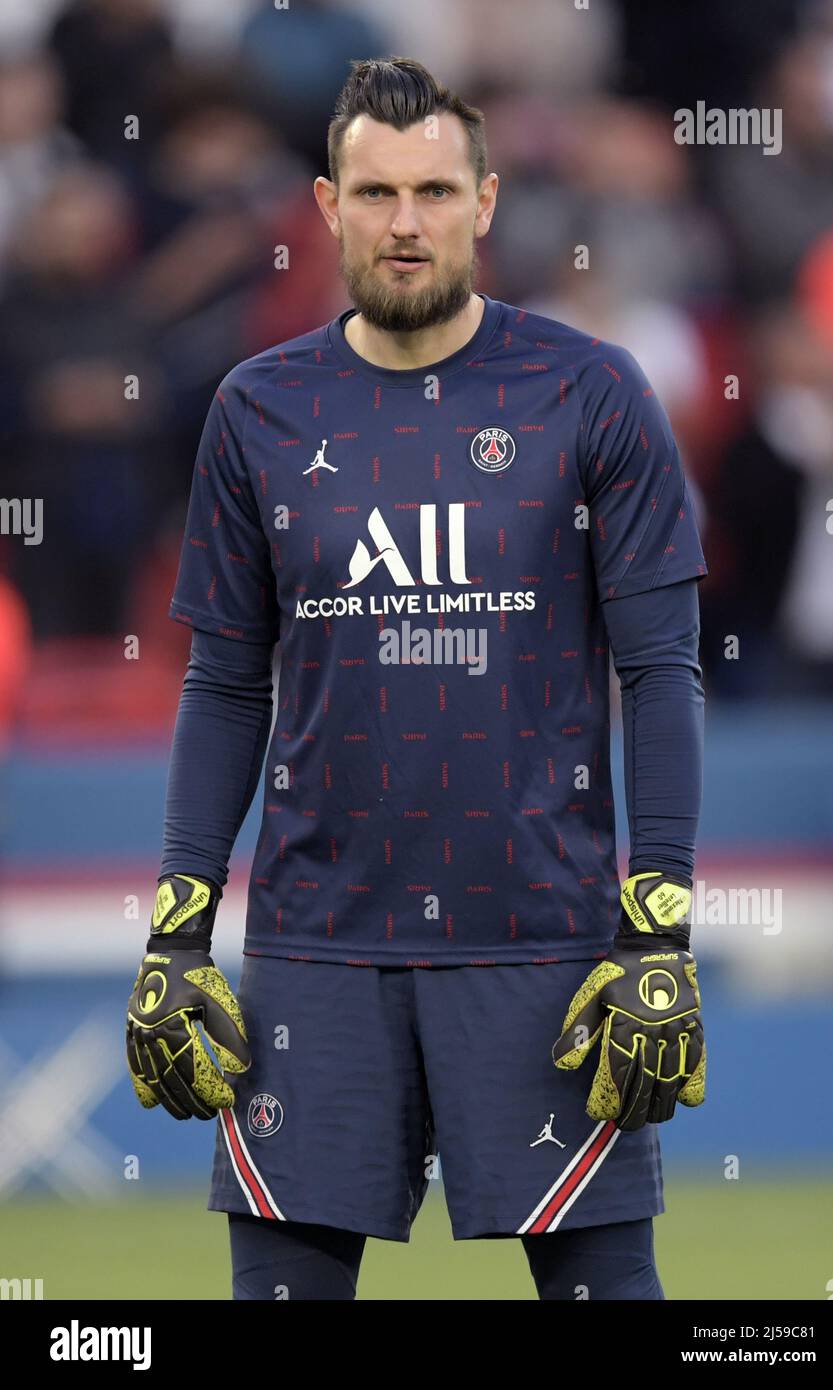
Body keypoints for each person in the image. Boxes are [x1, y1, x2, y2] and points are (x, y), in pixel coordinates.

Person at [126, 56, 707, 1302]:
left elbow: (662, 674)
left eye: (436, 190)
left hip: (546, 947)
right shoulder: (254, 409)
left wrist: (658, 919)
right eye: (377, 192)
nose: (406, 223)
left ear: (486, 202)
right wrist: (177, 928)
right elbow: (226, 685)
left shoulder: (591, 393)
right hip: (314, 949)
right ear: (327, 205)